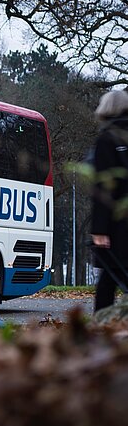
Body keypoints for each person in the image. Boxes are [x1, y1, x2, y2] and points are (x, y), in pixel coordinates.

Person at [90, 90, 128, 311]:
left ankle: (100, 331)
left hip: (116, 225)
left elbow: (104, 186)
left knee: (108, 279)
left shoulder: (107, 139)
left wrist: (100, 229)